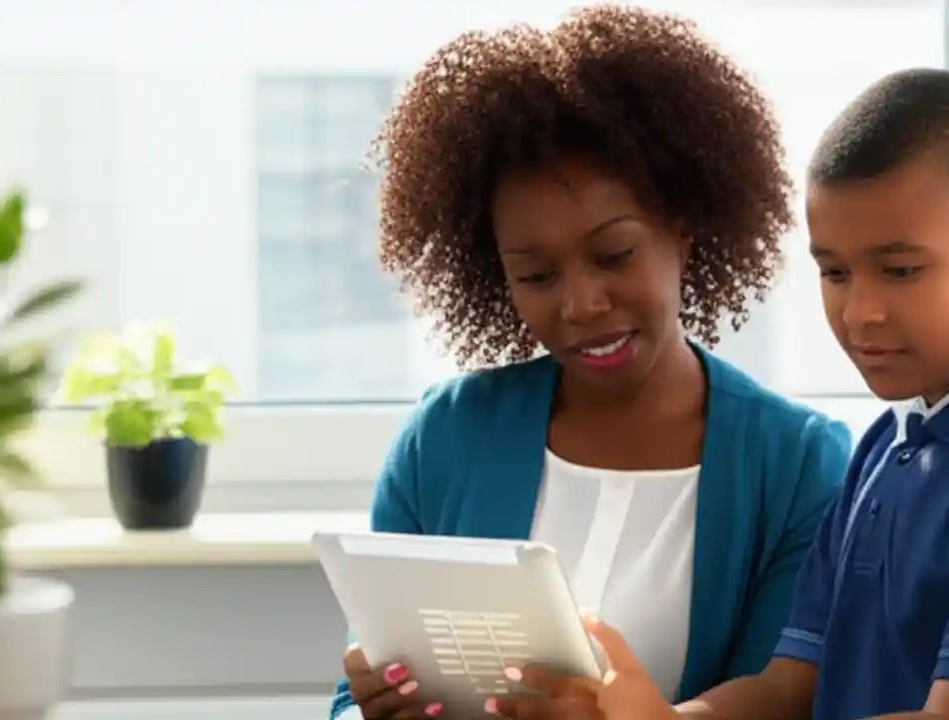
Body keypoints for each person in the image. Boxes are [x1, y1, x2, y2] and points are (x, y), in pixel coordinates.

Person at [506, 68, 949, 720]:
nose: (859, 312)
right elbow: (787, 689)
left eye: (901, 270)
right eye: (835, 272)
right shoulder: (888, 443)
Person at [327, 6, 852, 719]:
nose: (580, 304)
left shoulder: (796, 466)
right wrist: (371, 708)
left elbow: (792, 700)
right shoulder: (443, 438)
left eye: (613, 255)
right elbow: (348, 698)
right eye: (536, 275)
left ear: (683, 229)